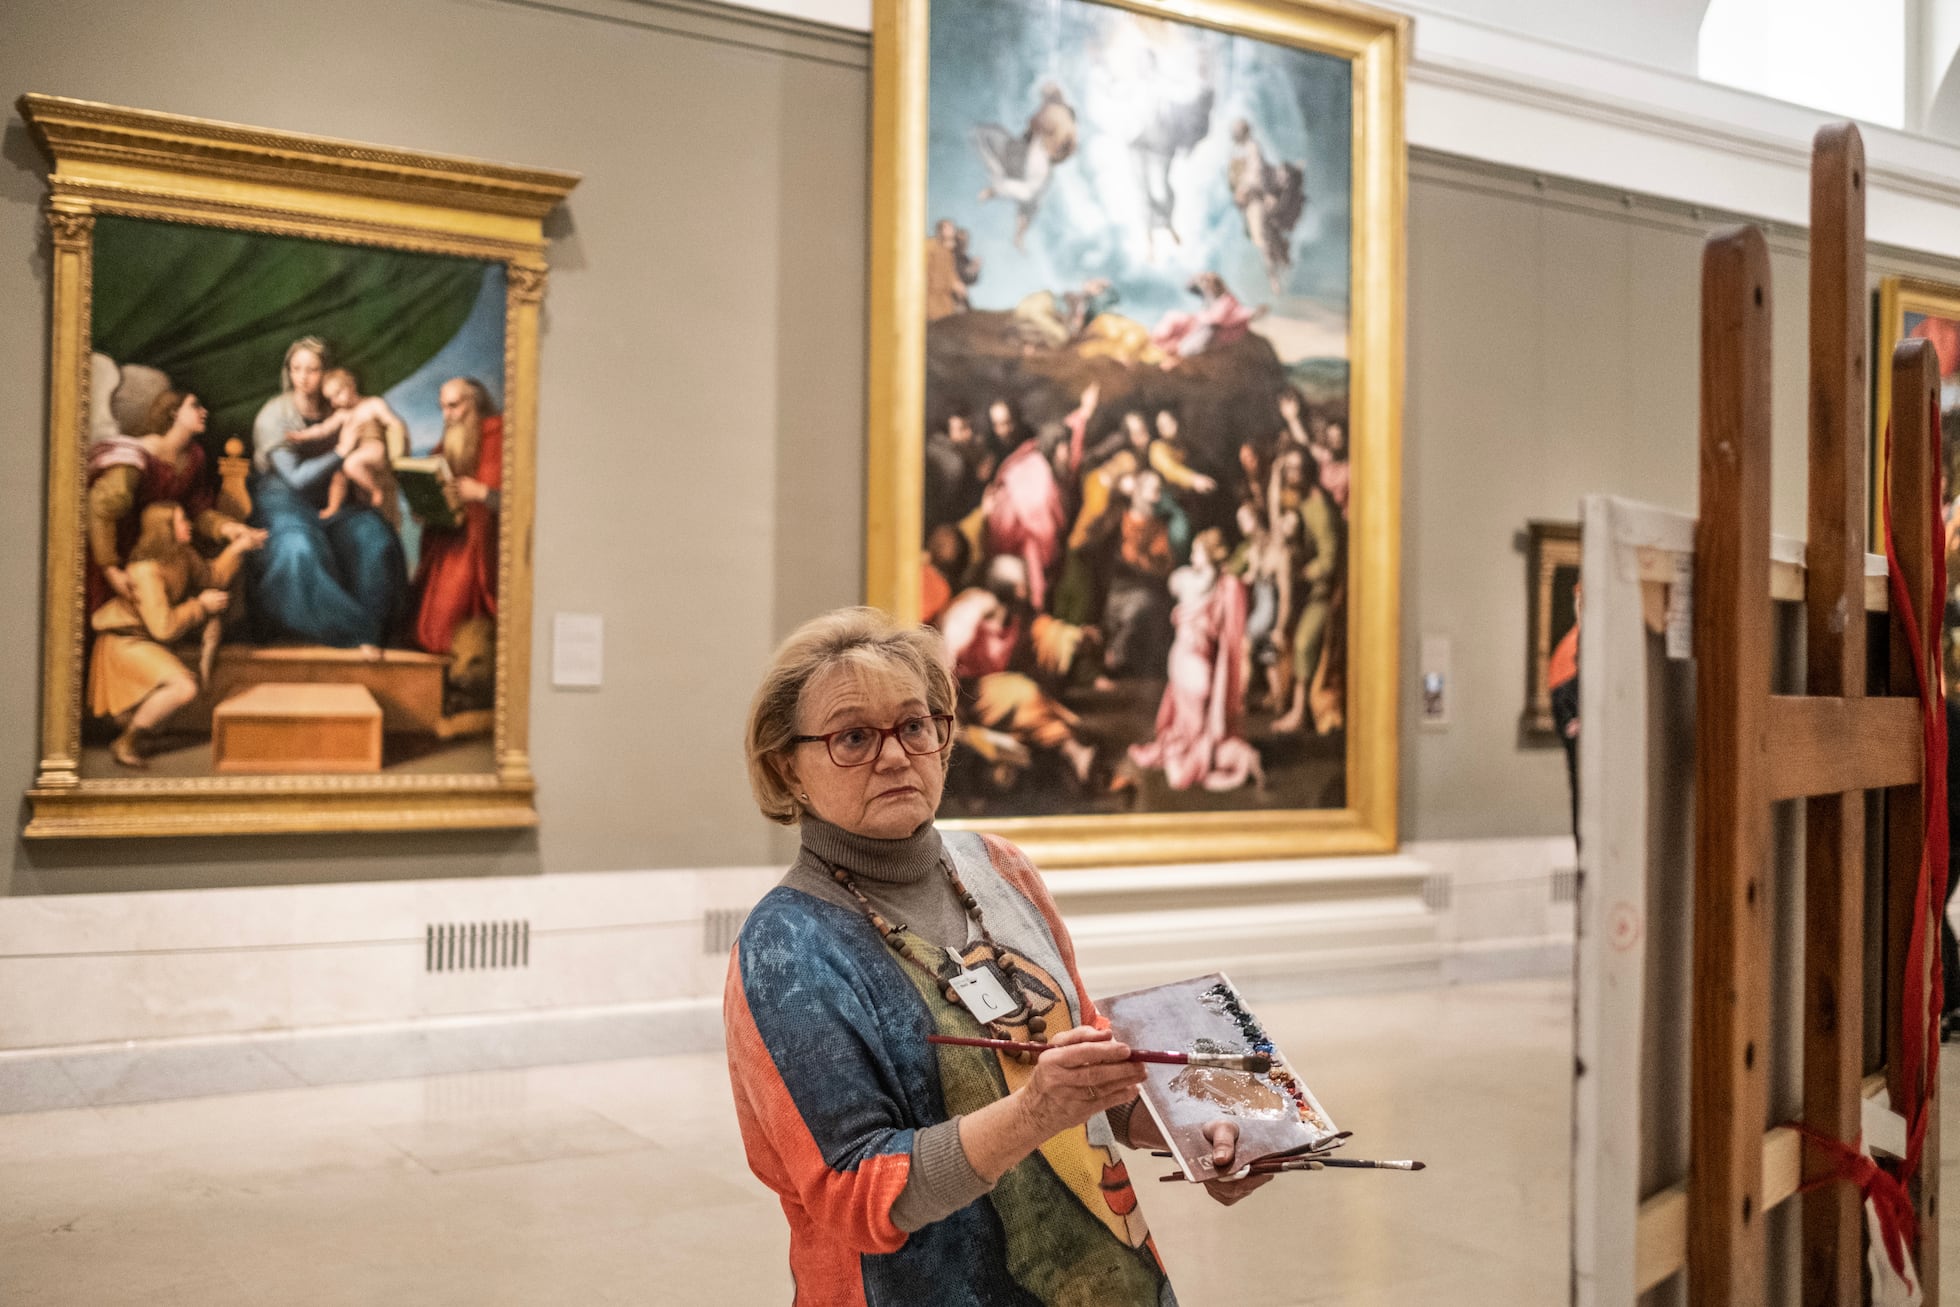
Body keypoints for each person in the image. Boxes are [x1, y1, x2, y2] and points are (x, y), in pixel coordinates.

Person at [726, 607, 1268, 1304]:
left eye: (915, 725)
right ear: (787, 768)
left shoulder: (1000, 867)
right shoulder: (786, 947)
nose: (895, 755)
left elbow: (1088, 1080)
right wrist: (1034, 1112)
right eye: (853, 736)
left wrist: (1194, 1132)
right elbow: (856, 1192)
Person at [245, 337, 408, 653]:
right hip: (283, 500)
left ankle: (378, 635)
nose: (304, 377)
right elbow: (295, 478)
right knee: (298, 549)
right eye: (296, 369)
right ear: (288, 371)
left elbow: (386, 440)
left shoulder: (343, 406)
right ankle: (357, 633)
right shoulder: (274, 415)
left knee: (376, 539)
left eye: (313, 369)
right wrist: (341, 451)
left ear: (327, 373)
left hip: (337, 498)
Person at [88, 501, 262, 767]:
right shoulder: (146, 570)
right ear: (164, 529)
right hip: (124, 642)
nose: (188, 525)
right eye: (181, 521)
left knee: (180, 688)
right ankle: (127, 741)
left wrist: (238, 547)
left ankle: (137, 733)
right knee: (183, 687)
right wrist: (200, 606)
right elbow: (164, 627)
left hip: (144, 640)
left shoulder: (182, 554)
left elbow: (212, 577)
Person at [85, 389, 259, 614]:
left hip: (167, 548)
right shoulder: (134, 460)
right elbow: (102, 511)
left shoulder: (194, 456)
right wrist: (111, 570)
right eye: (195, 406)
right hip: (120, 552)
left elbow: (197, 508)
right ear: (174, 413)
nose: (203, 411)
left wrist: (226, 527)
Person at [1128, 530, 1264, 792]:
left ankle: (1206, 749)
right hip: (1184, 658)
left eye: (1197, 551)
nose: (1192, 555)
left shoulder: (1218, 584)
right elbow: (1183, 584)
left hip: (1199, 658)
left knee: (1200, 719)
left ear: (1209, 555)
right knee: (1193, 722)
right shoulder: (1192, 579)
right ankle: (1199, 749)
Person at [411, 377, 503, 655]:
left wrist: (482, 493)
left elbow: (519, 502)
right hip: (447, 541)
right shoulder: (447, 443)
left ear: (473, 403)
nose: (447, 416)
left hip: (480, 543)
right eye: (443, 408)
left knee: (448, 630)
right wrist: (424, 506)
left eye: (454, 406)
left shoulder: (498, 435)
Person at [290, 367, 408, 526]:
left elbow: (394, 424)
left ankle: (375, 490)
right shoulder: (342, 414)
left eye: (337, 394)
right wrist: (302, 436)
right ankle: (332, 508)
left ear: (351, 386)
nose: (334, 402)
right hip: (358, 454)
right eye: (330, 398)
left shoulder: (372, 404)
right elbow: (322, 429)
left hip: (375, 450)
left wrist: (398, 448)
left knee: (351, 464)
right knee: (339, 477)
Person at [975, 82, 1077, 250]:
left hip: (1029, 185)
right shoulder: (1045, 135)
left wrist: (993, 191)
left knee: (1027, 211)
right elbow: (1053, 98)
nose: (1037, 114)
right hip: (1026, 170)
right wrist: (1052, 93)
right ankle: (1019, 236)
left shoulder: (1040, 160)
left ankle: (1018, 237)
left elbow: (1027, 194)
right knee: (1027, 211)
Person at [1227, 118, 1307, 295]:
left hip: (1256, 199)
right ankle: (1280, 270)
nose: (1234, 134)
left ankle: (1275, 279)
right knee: (1266, 238)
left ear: (1244, 132)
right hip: (1251, 201)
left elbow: (1256, 176)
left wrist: (1245, 189)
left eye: (1237, 130)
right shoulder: (1239, 149)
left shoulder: (1252, 147)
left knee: (1264, 241)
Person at [925, 219, 981, 322]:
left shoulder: (949, 254)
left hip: (946, 304)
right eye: (949, 228)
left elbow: (952, 274)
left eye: (952, 228)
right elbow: (930, 275)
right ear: (940, 230)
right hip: (932, 303)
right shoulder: (929, 247)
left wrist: (958, 283)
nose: (952, 231)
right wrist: (952, 284)